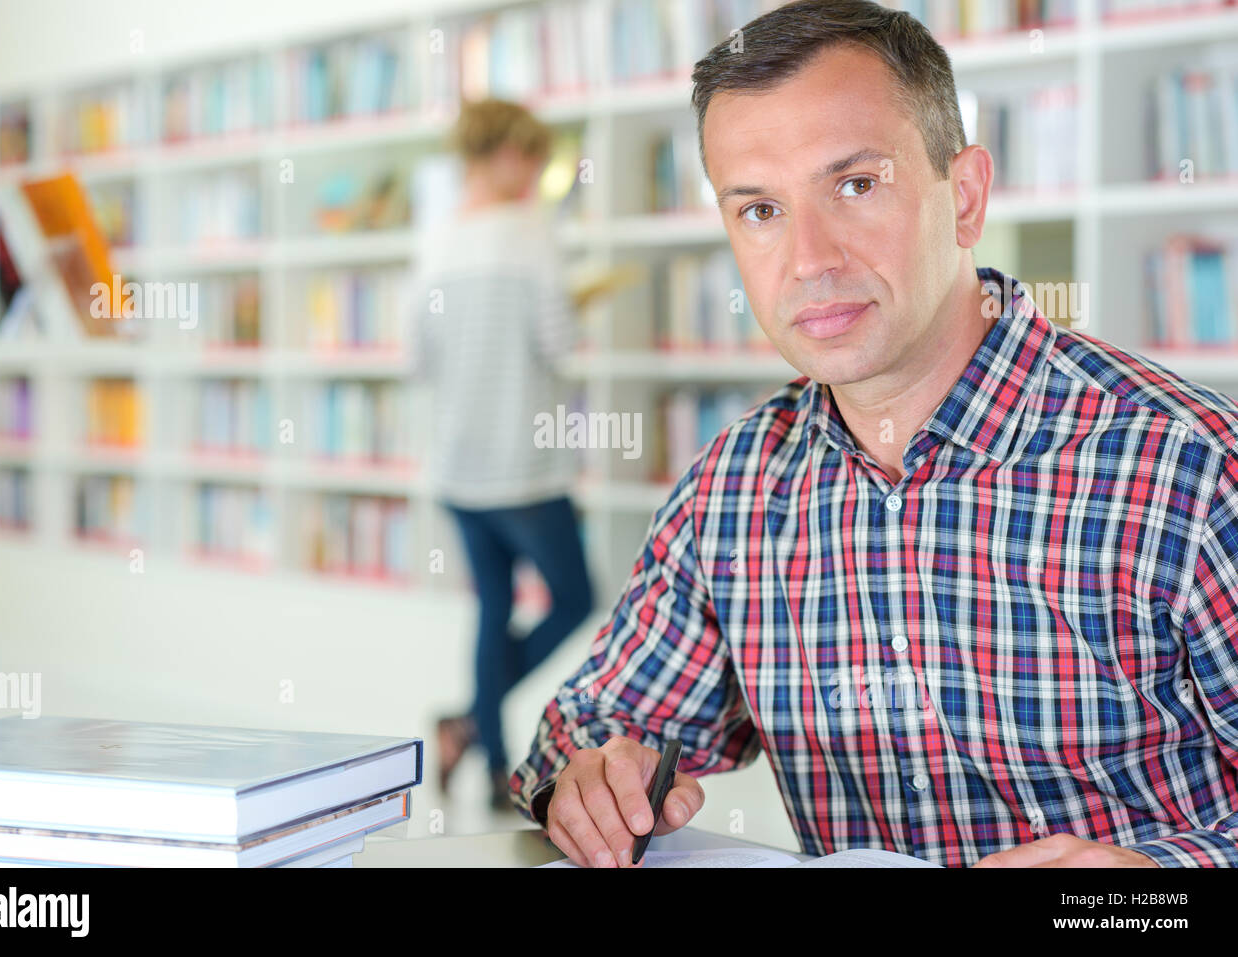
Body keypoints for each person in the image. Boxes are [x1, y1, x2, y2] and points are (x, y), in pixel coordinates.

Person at [508, 0, 1238, 867]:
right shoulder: (736, 487)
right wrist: (592, 777)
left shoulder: (1190, 471)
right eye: (760, 210)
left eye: (856, 184)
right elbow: (586, 731)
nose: (809, 258)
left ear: (964, 198)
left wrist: (1150, 884)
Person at [405, 98, 594, 812]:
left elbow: (414, 359)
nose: (539, 172)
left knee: (492, 606)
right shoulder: (532, 232)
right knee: (573, 596)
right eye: (535, 157)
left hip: (458, 465)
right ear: (508, 154)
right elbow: (560, 343)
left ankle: (484, 748)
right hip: (524, 464)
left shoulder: (437, 239)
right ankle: (472, 725)